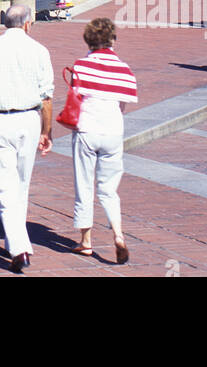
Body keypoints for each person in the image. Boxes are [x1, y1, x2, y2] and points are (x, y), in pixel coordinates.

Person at [0, 3, 54, 273]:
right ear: (28, 24)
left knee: (5, 184)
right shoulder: (39, 50)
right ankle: (16, 241)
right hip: (29, 119)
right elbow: (47, 96)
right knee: (21, 182)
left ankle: (18, 247)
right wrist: (46, 130)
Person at [68, 17, 136, 264]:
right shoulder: (124, 69)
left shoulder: (81, 66)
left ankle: (86, 241)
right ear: (112, 40)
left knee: (84, 185)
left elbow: (76, 96)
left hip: (87, 129)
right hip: (113, 131)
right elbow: (123, 105)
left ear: (88, 40)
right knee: (109, 189)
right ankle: (118, 234)